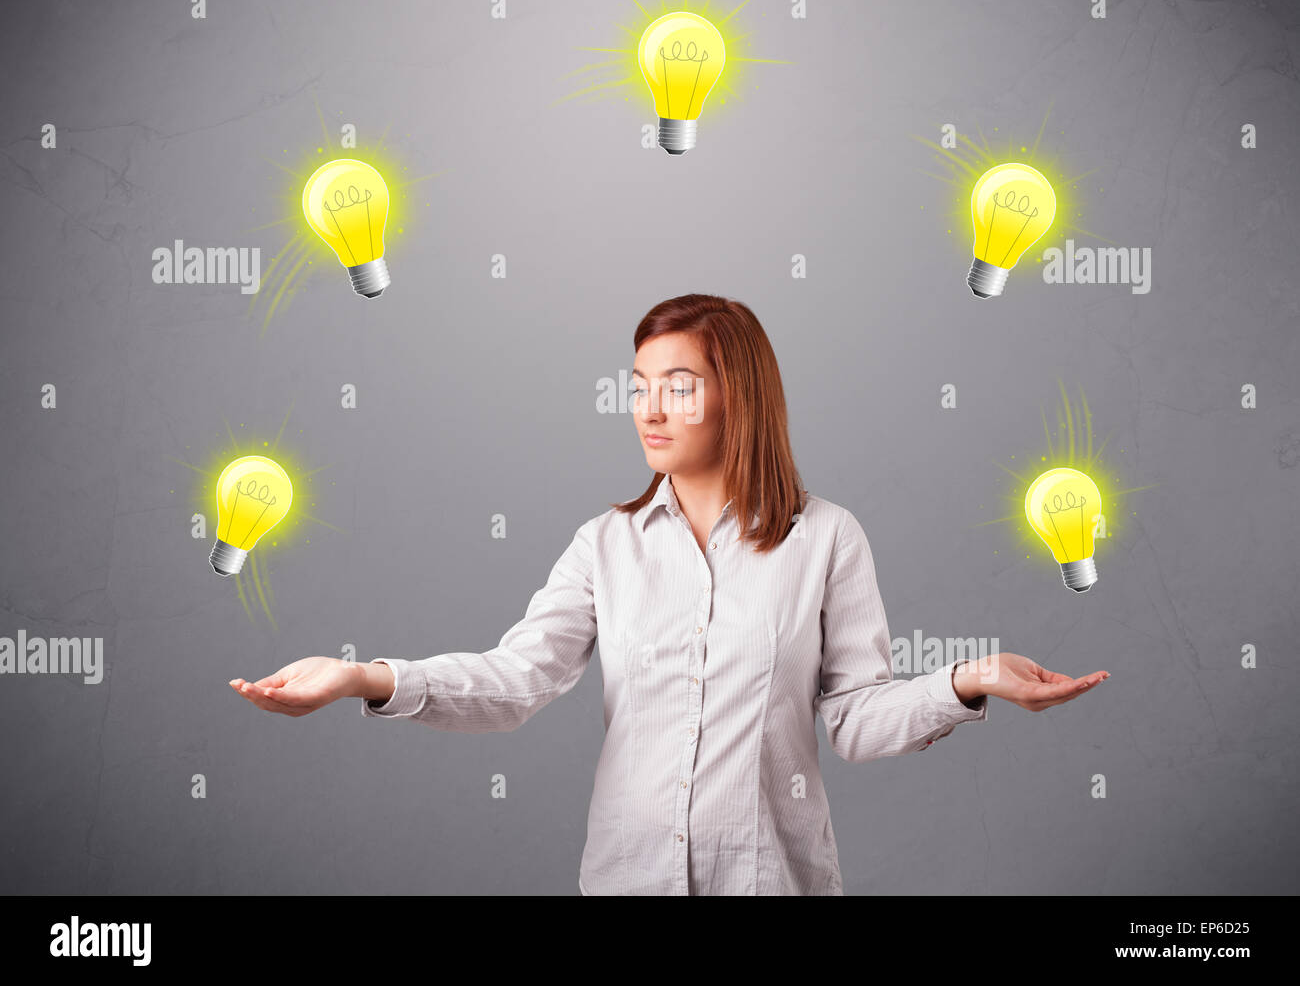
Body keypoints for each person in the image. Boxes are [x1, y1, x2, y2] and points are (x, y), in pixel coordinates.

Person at [230, 292, 1109, 895]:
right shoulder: (603, 545)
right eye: (641, 387)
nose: (651, 409)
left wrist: (965, 681)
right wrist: (361, 678)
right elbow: (513, 682)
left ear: (739, 396)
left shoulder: (828, 537)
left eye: (679, 387)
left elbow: (853, 721)